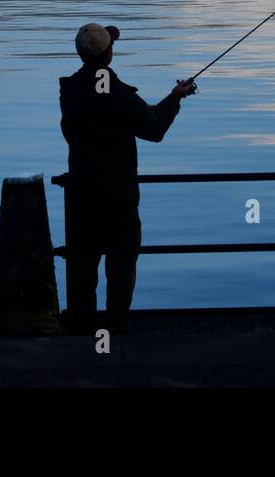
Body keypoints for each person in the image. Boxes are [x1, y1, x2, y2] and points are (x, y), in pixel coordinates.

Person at [59, 23, 196, 334]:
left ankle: (82, 329)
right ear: (108, 55)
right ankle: (116, 328)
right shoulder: (121, 96)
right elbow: (152, 129)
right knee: (121, 267)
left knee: (83, 267)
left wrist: (151, 104)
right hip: (118, 196)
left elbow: (108, 101)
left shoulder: (70, 91)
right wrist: (176, 97)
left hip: (81, 195)